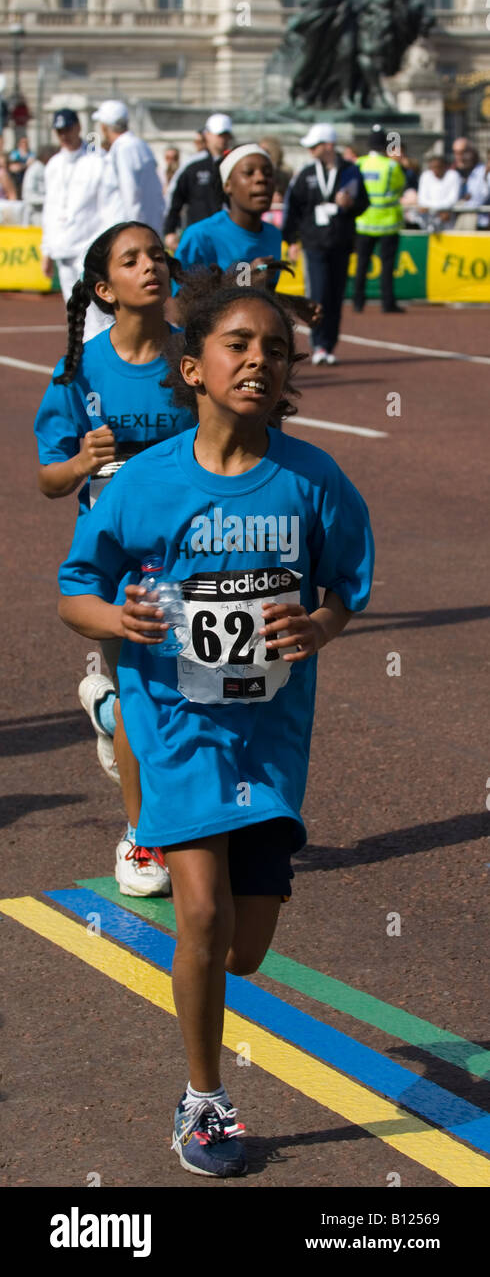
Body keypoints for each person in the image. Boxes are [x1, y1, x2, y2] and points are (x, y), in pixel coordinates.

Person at [57, 274, 374, 1177]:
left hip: (269, 739)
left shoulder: (315, 480)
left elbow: (347, 585)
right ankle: (205, 1101)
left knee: (246, 950)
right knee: (198, 910)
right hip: (180, 728)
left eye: (274, 349)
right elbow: (78, 588)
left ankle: (106, 713)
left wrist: (318, 625)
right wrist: (118, 624)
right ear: (192, 368)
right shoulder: (146, 485)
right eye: (238, 344)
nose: (259, 360)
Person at [34, 221, 195, 898]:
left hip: (195, 549)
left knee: (196, 688)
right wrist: (80, 461)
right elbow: (48, 479)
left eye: (157, 254)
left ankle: (107, 717)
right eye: (132, 260)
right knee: (142, 697)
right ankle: (141, 835)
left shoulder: (196, 357)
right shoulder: (80, 371)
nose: (150, 266)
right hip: (118, 558)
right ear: (106, 288)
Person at [282, 122, 368, 365]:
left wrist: (351, 203)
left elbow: (364, 204)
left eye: (315, 145)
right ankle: (318, 343)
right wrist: (291, 240)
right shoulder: (307, 174)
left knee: (335, 296)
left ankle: (329, 345)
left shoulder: (351, 171)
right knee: (317, 294)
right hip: (314, 243)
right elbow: (294, 209)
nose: (310, 150)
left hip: (340, 242)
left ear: (328, 146)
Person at [175, 143, 282, 274]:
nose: (261, 179)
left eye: (268, 173)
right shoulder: (200, 237)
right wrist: (245, 279)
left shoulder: (274, 235)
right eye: (249, 172)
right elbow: (182, 293)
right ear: (227, 185)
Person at [41, 108, 104, 306]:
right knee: (73, 308)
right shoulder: (53, 165)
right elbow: (50, 209)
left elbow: (104, 204)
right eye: (59, 131)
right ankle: (78, 339)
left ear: (78, 127)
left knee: (97, 306)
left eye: (67, 129)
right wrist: (47, 250)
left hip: (88, 245)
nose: (64, 135)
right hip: (63, 245)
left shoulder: (95, 160)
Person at [354, 125, 406, 314]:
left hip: (363, 221)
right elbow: (400, 187)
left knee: (362, 264)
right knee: (387, 266)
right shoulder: (391, 166)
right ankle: (387, 303)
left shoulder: (359, 163)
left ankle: (358, 302)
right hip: (387, 223)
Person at [92, 100, 165, 235]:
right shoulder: (139, 145)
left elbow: (130, 193)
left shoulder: (123, 149)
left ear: (104, 127)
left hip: (125, 232)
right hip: (143, 227)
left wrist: (135, 232)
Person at [164, 113, 234, 250]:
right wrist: (169, 230)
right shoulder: (193, 165)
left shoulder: (236, 162)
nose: (223, 139)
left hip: (229, 236)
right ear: (207, 135)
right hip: (199, 236)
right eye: (219, 134)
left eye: (226, 135)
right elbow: (175, 198)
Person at [451, 138, 490, 230]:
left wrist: (463, 202)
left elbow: (479, 199)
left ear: (472, 153)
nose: (459, 157)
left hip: (479, 222)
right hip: (456, 219)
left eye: (462, 152)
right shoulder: (453, 172)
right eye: (456, 153)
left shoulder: (483, 172)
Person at [417, 155, 460, 231]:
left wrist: (432, 208)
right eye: (432, 167)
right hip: (428, 221)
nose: (435, 170)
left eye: (438, 167)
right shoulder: (426, 175)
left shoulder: (453, 175)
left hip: (448, 221)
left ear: (445, 166)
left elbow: (452, 199)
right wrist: (439, 210)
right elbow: (422, 200)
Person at [21, 144, 56, 225]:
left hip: (47, 213)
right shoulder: (35, 169)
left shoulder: (47, 168)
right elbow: (28, 196)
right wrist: (49, 200)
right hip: (35, 215)